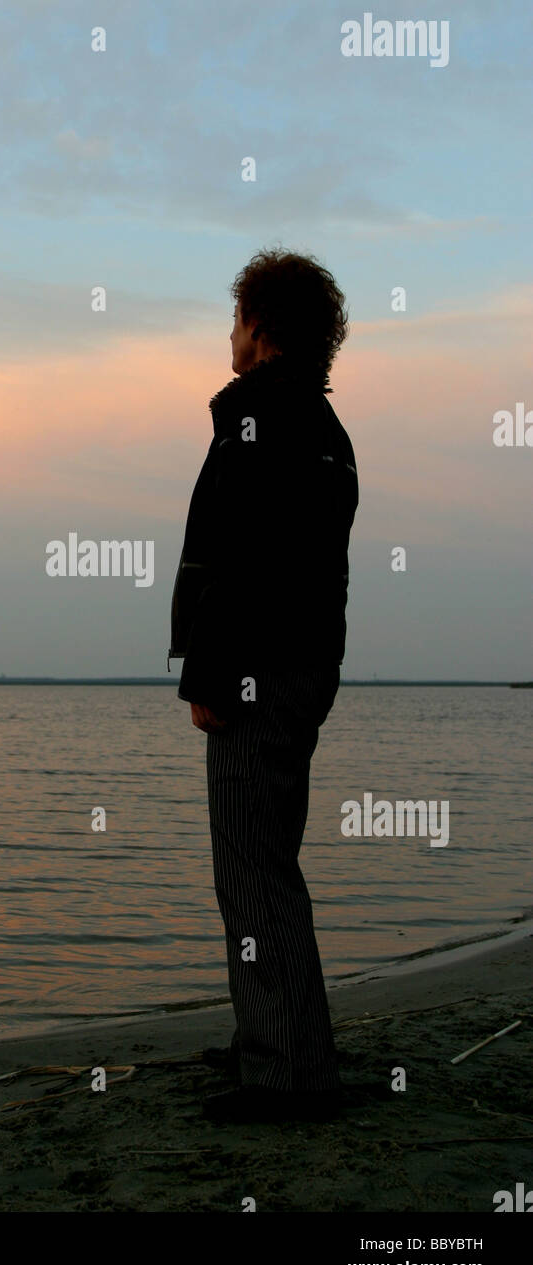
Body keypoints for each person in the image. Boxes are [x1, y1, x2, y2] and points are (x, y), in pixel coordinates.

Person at [168, 247, 359, 1123]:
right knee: (267, 861)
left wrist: (208, 672)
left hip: (255, 673)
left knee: (251, 871)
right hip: (303, 668)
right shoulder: (326, 431)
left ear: (264, 328)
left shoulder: (256, 418)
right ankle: (275, 1041)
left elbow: (239, 561)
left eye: (238, 317)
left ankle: (288, 1074)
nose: (229, 334)